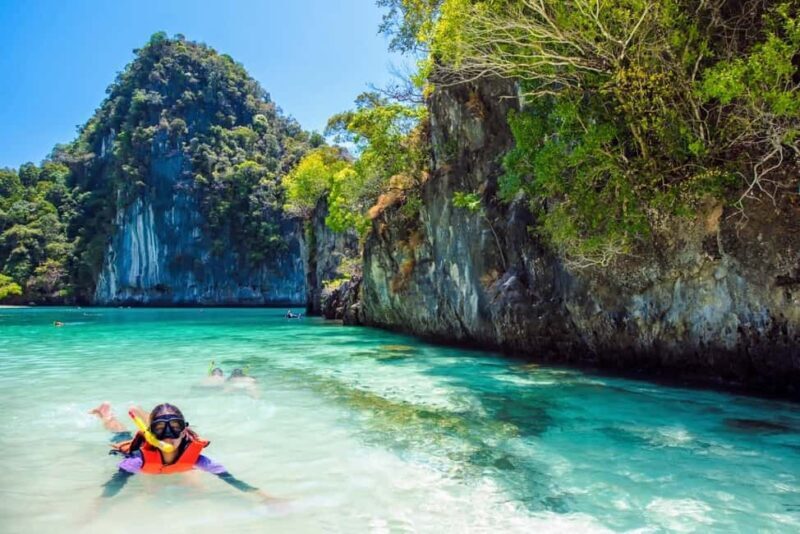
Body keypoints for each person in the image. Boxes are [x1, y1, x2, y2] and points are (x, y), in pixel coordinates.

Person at [89, 402, 278, 502]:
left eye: (175, 427)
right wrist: (94, 510)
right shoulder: (137, 461)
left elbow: (232, 480)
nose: (169, 435)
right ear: (151, 432)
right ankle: (106, 415)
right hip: (137, 448)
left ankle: (139, 411)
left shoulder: (199, 459)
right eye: (160, 428)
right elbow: (111, 488)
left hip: (167, 456)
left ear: (184, 429)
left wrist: (267, 497)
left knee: (195, 489)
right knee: (120, 433)